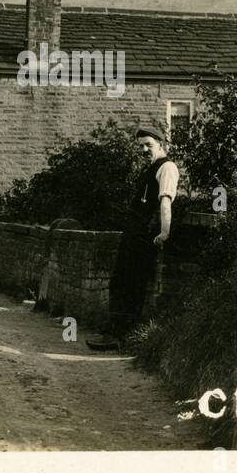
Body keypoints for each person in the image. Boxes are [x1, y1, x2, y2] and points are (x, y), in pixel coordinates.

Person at [86, 125, 179, 351]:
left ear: (162, 145)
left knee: (132, 285)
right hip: (134, 232)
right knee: (120, 281)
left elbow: (165, 201)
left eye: (149, 145)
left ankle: (122, 337)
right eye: (141, 146)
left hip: (145, 235)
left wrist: (165, 232)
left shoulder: (166, 168)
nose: (145, 150)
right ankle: (117, 333)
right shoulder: (149, 169)